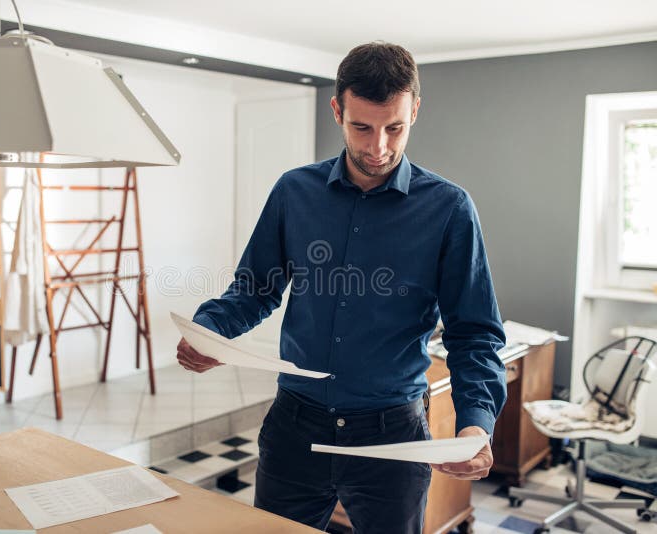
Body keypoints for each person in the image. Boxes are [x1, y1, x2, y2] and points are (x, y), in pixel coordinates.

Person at [176, 42, 507, 534]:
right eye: (362, 127)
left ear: (415, 109)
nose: (379, 147)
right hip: (294, 429)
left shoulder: (450, 209)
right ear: (337, 111)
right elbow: (254, 289)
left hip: (394, 438)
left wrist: (475, 423)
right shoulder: (294, 192)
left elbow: (474, 332)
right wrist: (208, 331)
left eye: (395, 127)